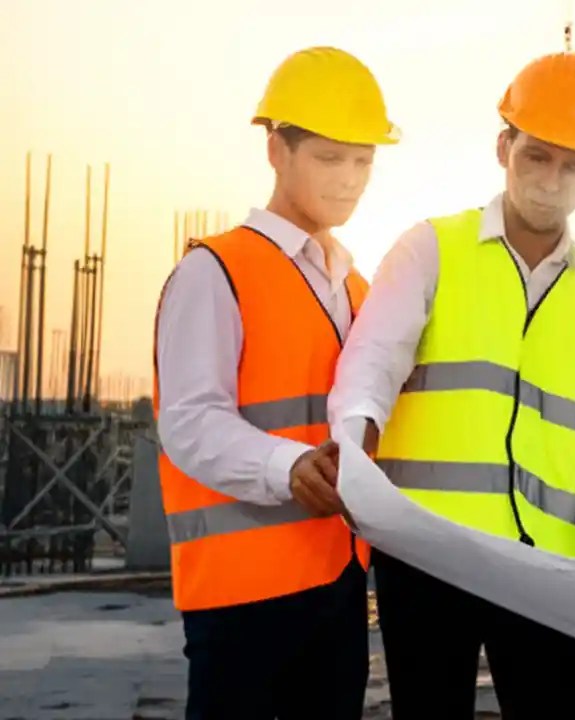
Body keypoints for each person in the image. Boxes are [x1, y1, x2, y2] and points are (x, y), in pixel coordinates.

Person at [327, 49, 575, 720]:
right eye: (537, 155)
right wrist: (353, 449)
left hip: (543, 569)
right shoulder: (429, 250)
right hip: (428, 555)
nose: (552, 180)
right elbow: (370, 365)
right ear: (504, 146)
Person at [153, 46, 399, 719]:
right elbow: (189, 422)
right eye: (329, 157)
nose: (349, 179)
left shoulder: (355, 287)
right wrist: (288, 466)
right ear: (275, 151)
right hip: (241, 602)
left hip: (338, 585)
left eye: (364, 160)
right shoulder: (216, 272)